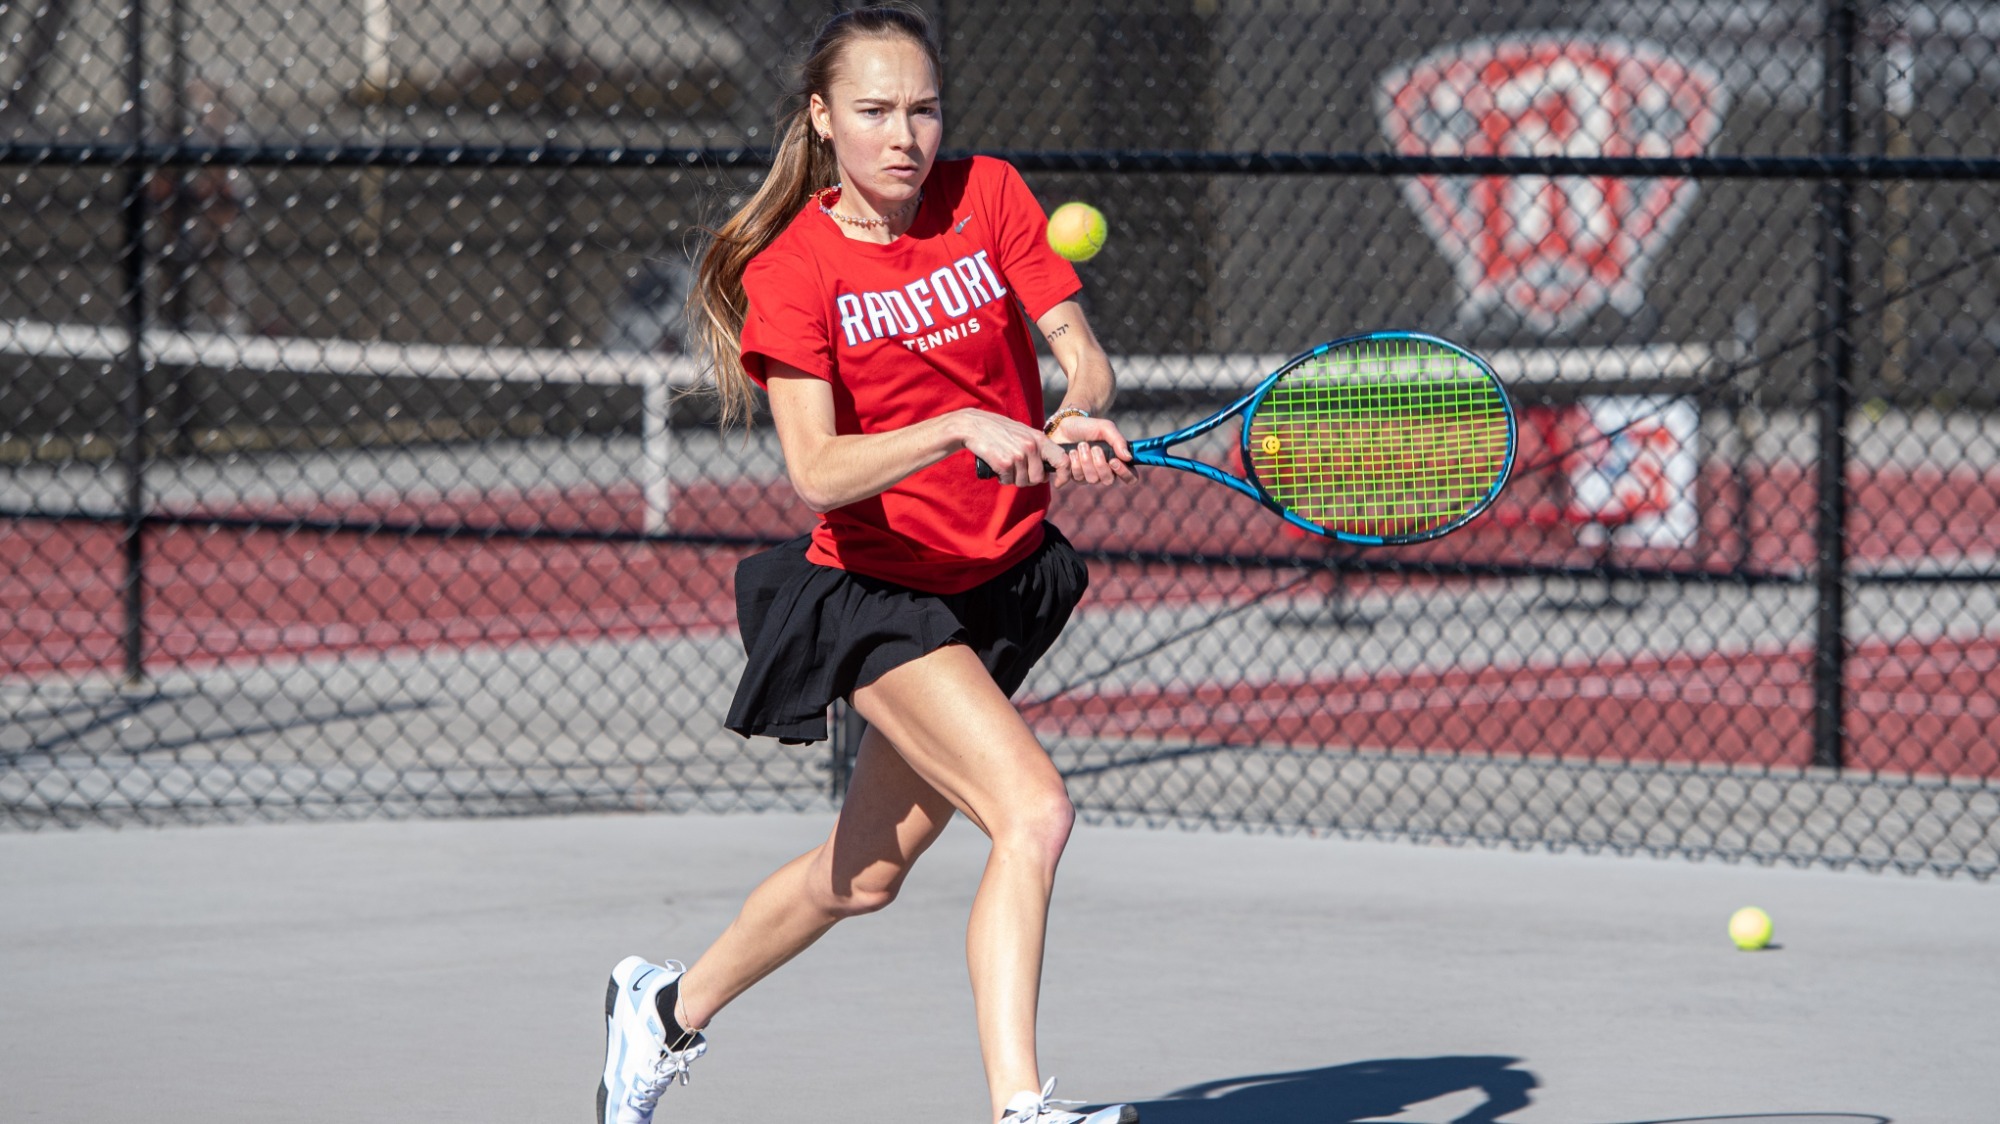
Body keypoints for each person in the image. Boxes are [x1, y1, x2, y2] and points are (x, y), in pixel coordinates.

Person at [597, 6, 1140, 1124]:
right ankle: (1021, 1106)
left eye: (923, 109)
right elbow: (815, 467)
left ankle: (660, 1009)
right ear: (821, 117)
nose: (905, 137)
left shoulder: (987, 194)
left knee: (862, 875)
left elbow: (1079, 354)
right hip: (877, 596)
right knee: (1032, 812)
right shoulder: (795, 270)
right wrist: (957, 425)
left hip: (993, 579)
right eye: (876, 112)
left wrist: (1077, 414)